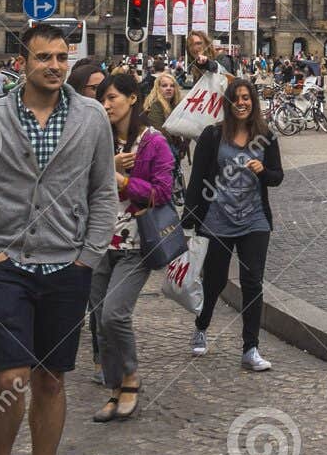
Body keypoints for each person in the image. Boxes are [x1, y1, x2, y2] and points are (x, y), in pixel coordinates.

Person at [0, 23, 119, 455]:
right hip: (7, 263)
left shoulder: (90, 118)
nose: (55, 66)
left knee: (50, 377)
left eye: (62, 58)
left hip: (67, 265)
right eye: (44, 57)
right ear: (22, 62)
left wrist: (88, 257)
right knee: (9, 376)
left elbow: (103, 192)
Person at [88, 72, 175, 424]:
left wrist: (124, 180)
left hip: (135, 243)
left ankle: (131, 378)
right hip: (96, 241)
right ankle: (114, 388)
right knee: (98, 321)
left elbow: (163, 192)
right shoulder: (100, 139)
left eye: (112, 98)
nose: (106, 104)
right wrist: (106, 167)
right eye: (102, 98)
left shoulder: (154, 142)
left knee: (114, 315)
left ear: (132, 99)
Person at [183, 76, 284, 372]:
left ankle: (250, 349)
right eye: (236, 98)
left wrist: (263, 170)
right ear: (228, 103)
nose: (241, 103)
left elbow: (277, 177)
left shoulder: (266, 136)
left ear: (253, 103)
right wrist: (190, 219)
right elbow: (197, 178)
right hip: (217, 221)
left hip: (255, 220)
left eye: (246, 98)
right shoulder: (213, 136)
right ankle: (201, 325)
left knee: (253, 284)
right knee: (214, 282)